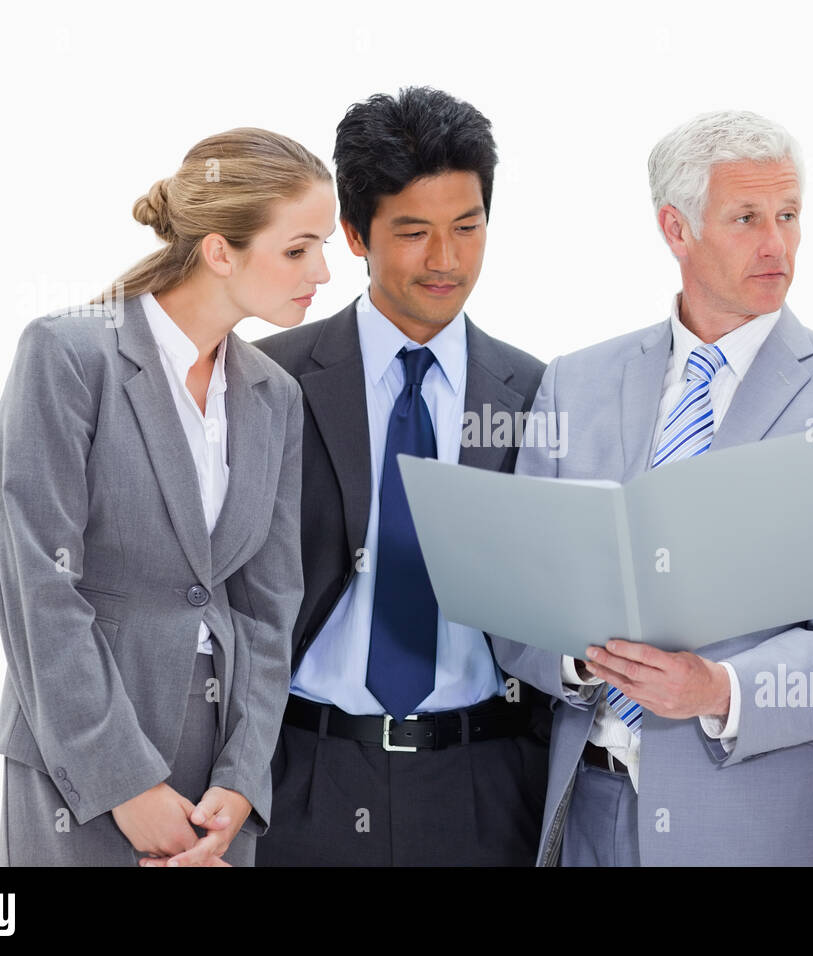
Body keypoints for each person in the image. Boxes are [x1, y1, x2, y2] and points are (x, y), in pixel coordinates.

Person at [491, 109, 813, 866]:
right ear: (675, 228)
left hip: (747, 823)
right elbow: (514, 601)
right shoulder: (576, 382)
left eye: (789, 216)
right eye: (746, 217)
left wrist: (721, 689)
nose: (776, 244)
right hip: (582, 808)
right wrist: (582, 660)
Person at [0, 127, 334, 866]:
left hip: (217, 780)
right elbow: (37, 588)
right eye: (300, 248)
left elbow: (270, 609)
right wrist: (124, 782)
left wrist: (243, 782)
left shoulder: (276, 395)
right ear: (219, 250)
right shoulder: (68, 355)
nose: (325, 271)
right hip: (79, 755)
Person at [252, 87, 551, 866]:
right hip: (305, 777)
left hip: (485, 787)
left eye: (467, 227)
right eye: (413, 233)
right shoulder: (269, 382)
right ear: (355, 233)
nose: (445, 259)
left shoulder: (539, 394)